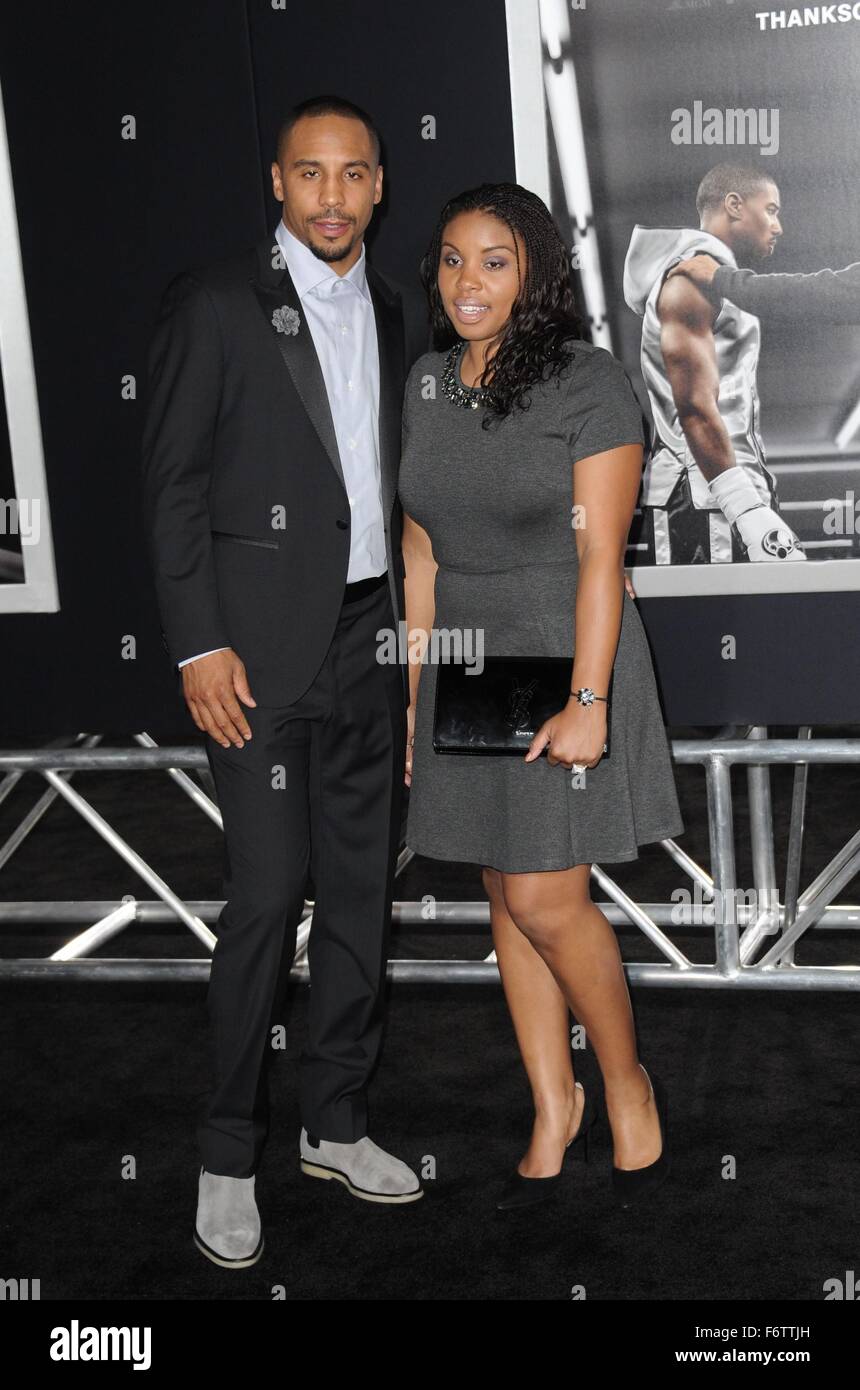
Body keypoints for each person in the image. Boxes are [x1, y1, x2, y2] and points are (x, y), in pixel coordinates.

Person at [141, 96, 429, 1269]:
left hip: (371, 642)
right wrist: (197, 644)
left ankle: (335, 1122)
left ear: (374, 188)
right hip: (253, 661)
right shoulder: (217, 304)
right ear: (277, 182)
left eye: (349, 175)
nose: (328, 195)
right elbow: (169, 486)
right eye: (306, 174)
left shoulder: (400, 308)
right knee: (268, 898)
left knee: (360, 896)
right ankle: (224, 1150)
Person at [398, 183, 685, 1211]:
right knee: (503, 903)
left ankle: (623, 1082)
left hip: (562, 643)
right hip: (470, 656)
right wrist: (413, 693)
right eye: (449, 259)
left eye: (492, 260)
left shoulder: (587, 380)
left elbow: (602, 555)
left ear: (535, 274)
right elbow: (420, 549)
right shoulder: (427, 381)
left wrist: (590, 697)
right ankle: (550, 1100)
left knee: (544, 898)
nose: (465, 281)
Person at [623, 163, 807, 566]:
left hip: (726, 492)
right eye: (771, 210)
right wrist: (747, 510)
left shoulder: (715, 278)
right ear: (735, 205)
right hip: (702, 501)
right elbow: (694, 407)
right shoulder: (690, 279)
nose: (778, 227)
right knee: (708, 625)